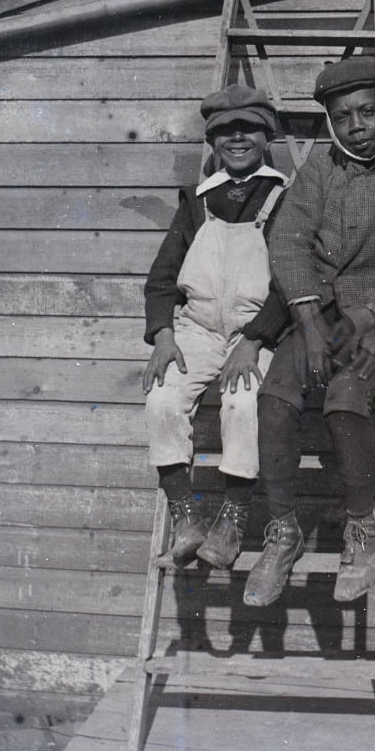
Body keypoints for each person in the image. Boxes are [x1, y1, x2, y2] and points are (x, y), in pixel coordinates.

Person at [243, 56, 375, 606]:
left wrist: (368, 320)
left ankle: (362, 527)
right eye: (344, 116)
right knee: (276, 400)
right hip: (317, 317)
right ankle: (284, 531)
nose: (357, 126)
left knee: (345, 402)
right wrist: (307, 324)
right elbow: (287, 242)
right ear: (330, 122)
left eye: (367, 113)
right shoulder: (317, 175)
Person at [142, 84, 289, 568]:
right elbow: (162, 278)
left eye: (247, 128)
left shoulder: (284, 198)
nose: (237, 139)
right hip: (198, 330)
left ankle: (233, 519)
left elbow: (293, 283)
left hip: (257, 330)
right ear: (212, 140)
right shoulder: (197, 200)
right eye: (224, 131)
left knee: (244, 401)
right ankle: (185, 517)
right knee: (162, 395)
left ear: (266, 135)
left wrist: (254, 340)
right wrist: (164, 335)